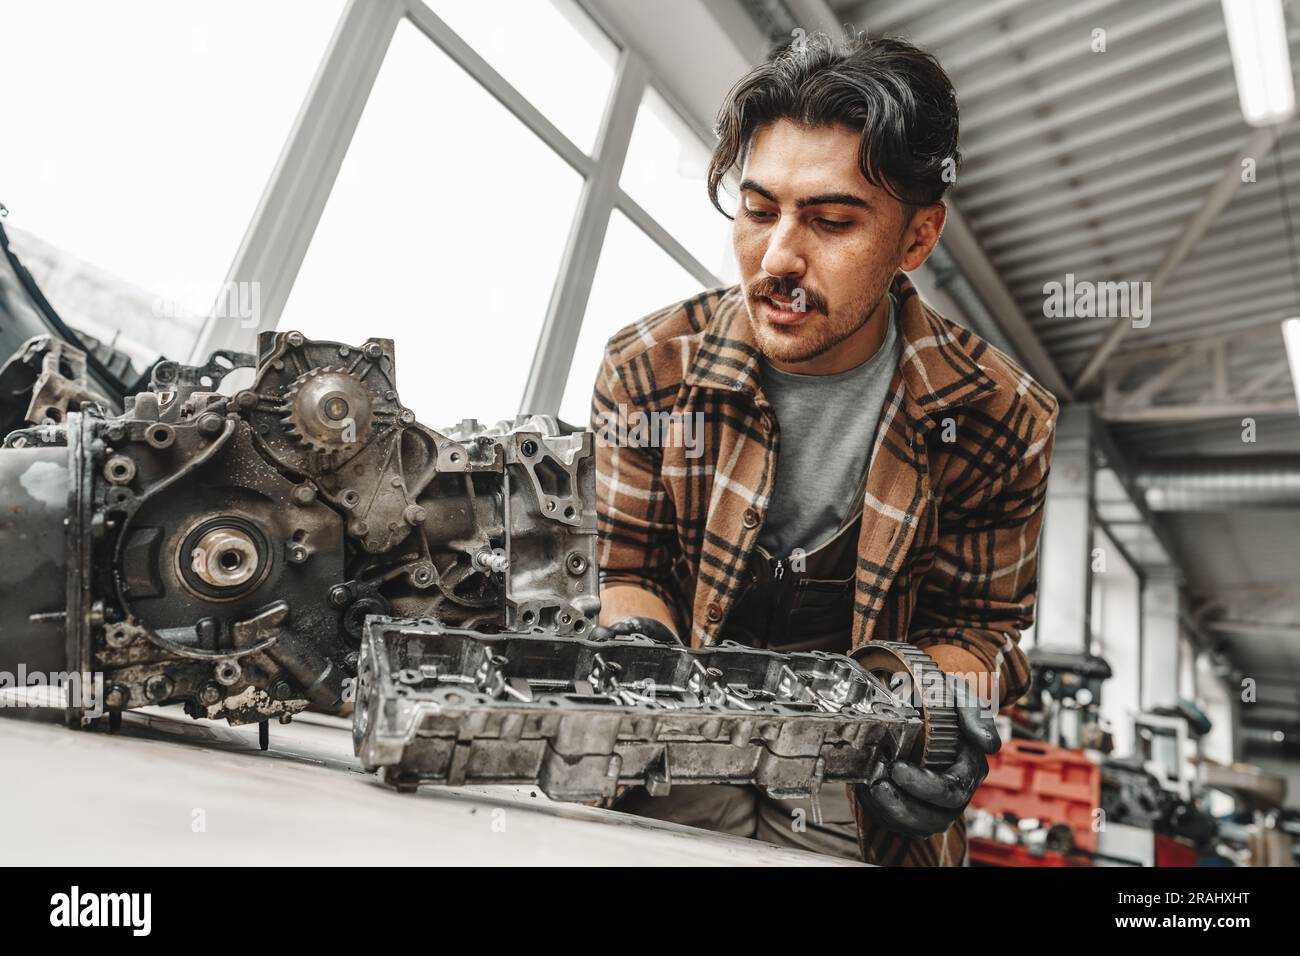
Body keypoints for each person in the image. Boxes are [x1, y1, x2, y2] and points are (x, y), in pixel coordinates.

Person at [590, 31, 1058, 865]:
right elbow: (628, 568)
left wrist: (929, 715)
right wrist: (636, 657)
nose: (777, 259)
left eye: (832, 221)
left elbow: (981, 629)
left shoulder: (1000, 420)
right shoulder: (648, 371)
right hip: (664, 769)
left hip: (859, 803)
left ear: (917, 239)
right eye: (759, 209)